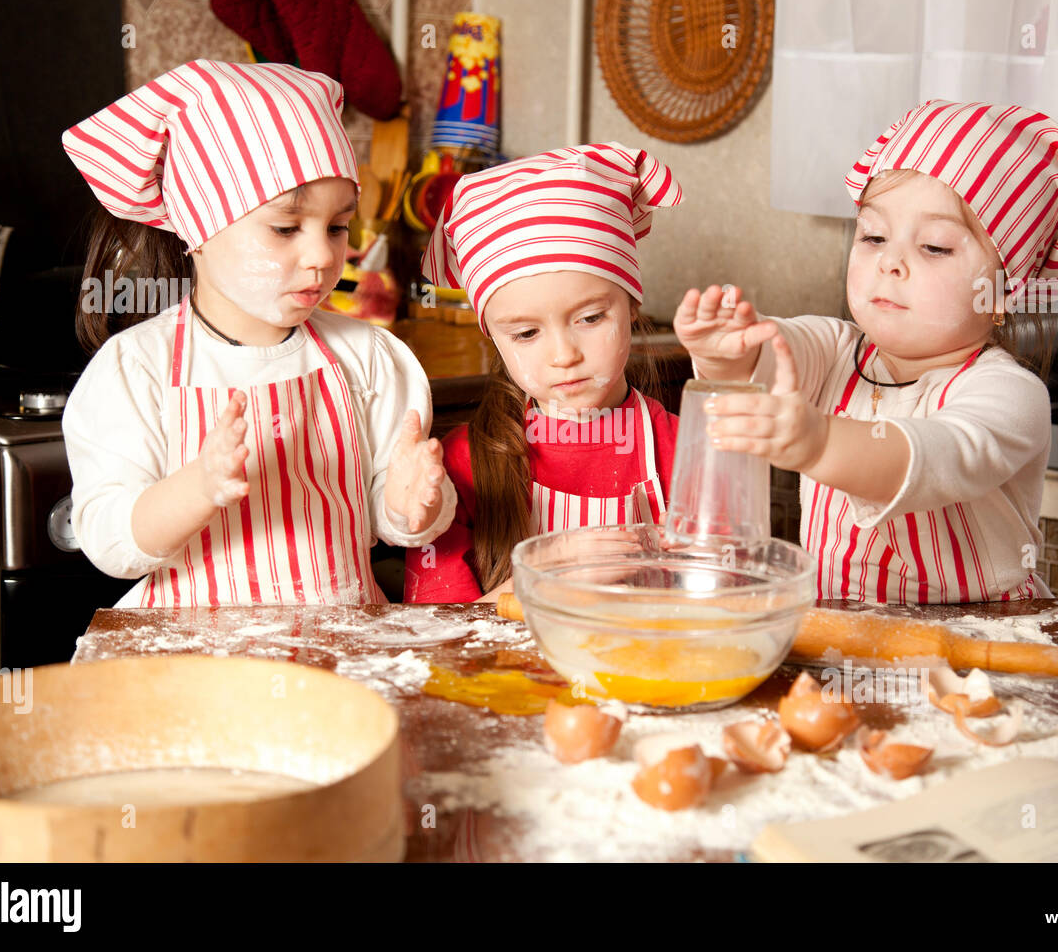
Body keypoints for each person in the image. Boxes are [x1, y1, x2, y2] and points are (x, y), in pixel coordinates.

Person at [676, 100, 1058, 602]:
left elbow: (936, 456)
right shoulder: (835, 350)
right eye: (873, 235)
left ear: (1003, 289)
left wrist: (820, 443)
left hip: (982, 649)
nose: (890, 261)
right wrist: (725, 354)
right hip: (841, 635)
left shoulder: (1010, 396)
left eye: (933, 246)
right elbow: (772, 358)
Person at [61, 59, 455, 607]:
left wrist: (412, 506)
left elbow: (391, 519)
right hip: (195, 664)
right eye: (286, 227)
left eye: (338, 226)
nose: (322, 256)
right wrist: (198, 488)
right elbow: (110, 541)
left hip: (339, 655)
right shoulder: (138, 368)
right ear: (199, 226)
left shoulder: (366, 356)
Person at [404, 143, 682, 602]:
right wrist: (545, 576)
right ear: (493, 337)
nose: (563, 355)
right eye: (527, 333)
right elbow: (440, 641)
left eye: (590, 318)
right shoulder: (456, 469)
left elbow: (719, 611)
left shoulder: (684, 452)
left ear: (632, 304)